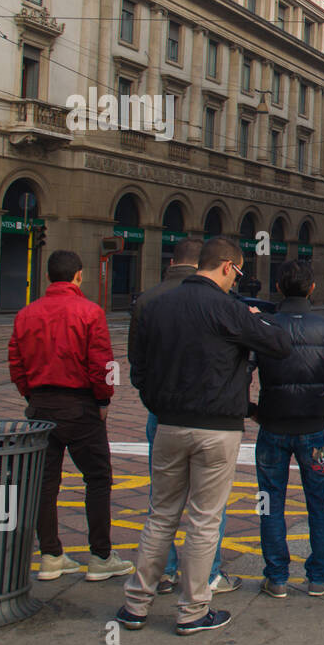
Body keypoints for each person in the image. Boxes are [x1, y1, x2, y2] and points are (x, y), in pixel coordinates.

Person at [119, 237, 293, 636]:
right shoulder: (227, 308)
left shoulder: (155, 306)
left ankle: (135, 604)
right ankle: (193, 610)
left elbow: (139, 371)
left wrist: (160, 404)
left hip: (167, 423)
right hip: (217, 427)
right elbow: (280, 345)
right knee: (203, 520)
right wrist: (253, 318)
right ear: (228, 266)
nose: (236, 280)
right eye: (238, 272)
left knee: (160, 514)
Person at [8, 250, 133, 583]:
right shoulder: (90, 312)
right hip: (80, 407)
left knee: (45, 483)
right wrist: (104, 400)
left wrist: (31, 395)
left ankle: (51, 555)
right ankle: (100, 556)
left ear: (49, 276)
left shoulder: (26, 314)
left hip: (40, 408)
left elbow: (16, 362)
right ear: (78, 275)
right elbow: (102, 363)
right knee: (97, 478)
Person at [127, 239, 237, 596]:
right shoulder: (223, 302)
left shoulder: (148, 300)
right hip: (212, 418)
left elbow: (137, 368)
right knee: (207, 512)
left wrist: (155, 401)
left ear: (173, 261)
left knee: (162, 507)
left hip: (163, 415)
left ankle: (157, 579)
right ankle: (208, 578)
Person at [252, 261, 324, 598]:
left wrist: (252, 410)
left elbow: (238, 373)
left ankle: (276, 576)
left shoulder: (263, 326)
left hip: (272, 425)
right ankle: (317, 576)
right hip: (314, 428)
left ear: (278, 288)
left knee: (269, 501)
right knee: (318, 502)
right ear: (313, 289)